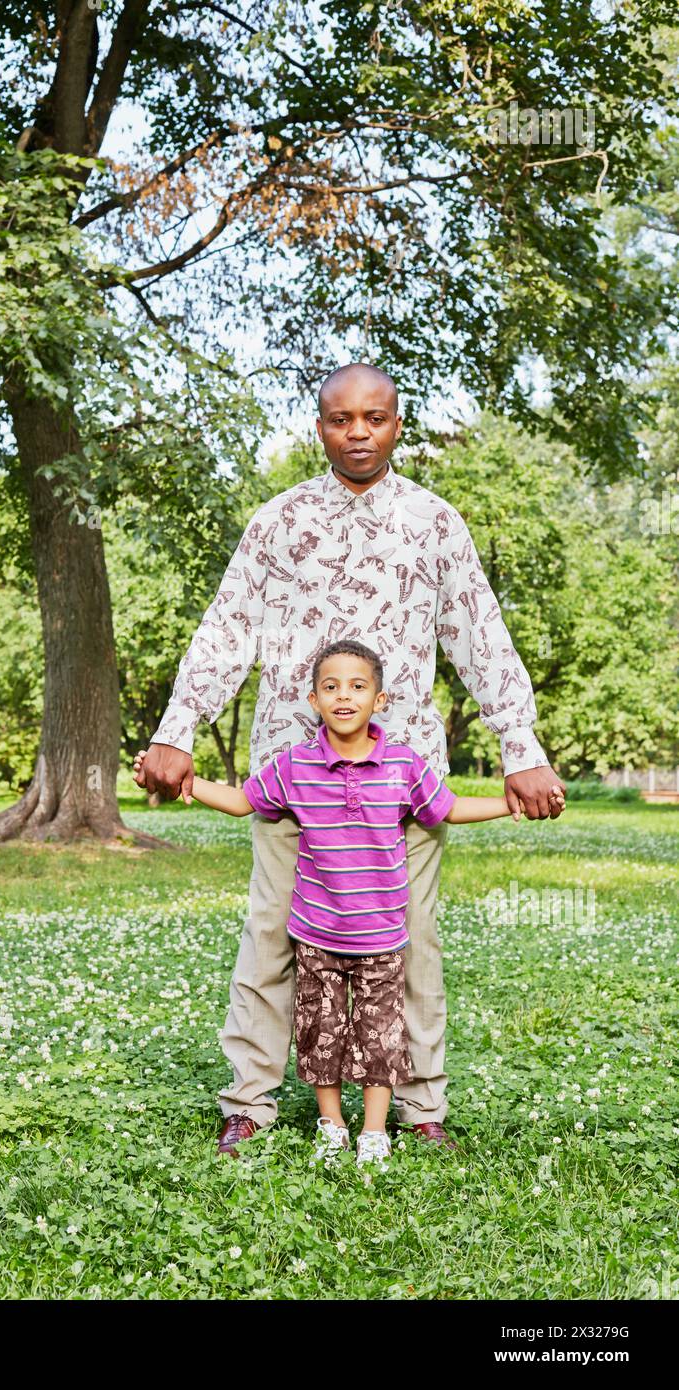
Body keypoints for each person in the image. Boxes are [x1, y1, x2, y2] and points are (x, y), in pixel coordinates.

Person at [136, 361, 566, 1157]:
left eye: (375, 417)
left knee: (409, 945)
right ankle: (250, 1104)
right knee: (272, 937)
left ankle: (419, 1103)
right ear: (320, 426)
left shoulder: (435, 523)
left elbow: (482, 637)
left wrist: (522, 748)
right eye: (342, 419)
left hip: (401, 785)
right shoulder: (278, 521)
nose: (359, 432)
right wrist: (178, 727)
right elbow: (228, 627)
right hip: (293, 779)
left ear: (399, 425)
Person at [133, 640, 564, 1168]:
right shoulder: (294, 766)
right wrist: (187, 781)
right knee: (321, 1033)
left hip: (383, 939)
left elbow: (449, 810)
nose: (344, 696)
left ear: (380, 700)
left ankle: (375, 1131)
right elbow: (243, 800)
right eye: (331, 687)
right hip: (317, 936)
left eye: (358, 686)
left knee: (380, 1036)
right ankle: (333, 1125)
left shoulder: (403, 766)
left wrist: (512, 802)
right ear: (313, 700)